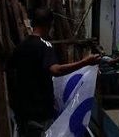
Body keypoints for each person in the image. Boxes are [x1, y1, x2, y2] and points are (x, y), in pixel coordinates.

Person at [7, 8, 101, 137]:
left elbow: (10, 71)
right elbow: (56, 70)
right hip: (40, 112)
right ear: (49, 25)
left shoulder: (20, 46)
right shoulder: (45, 46)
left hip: (22, 112)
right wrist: (84, 62)